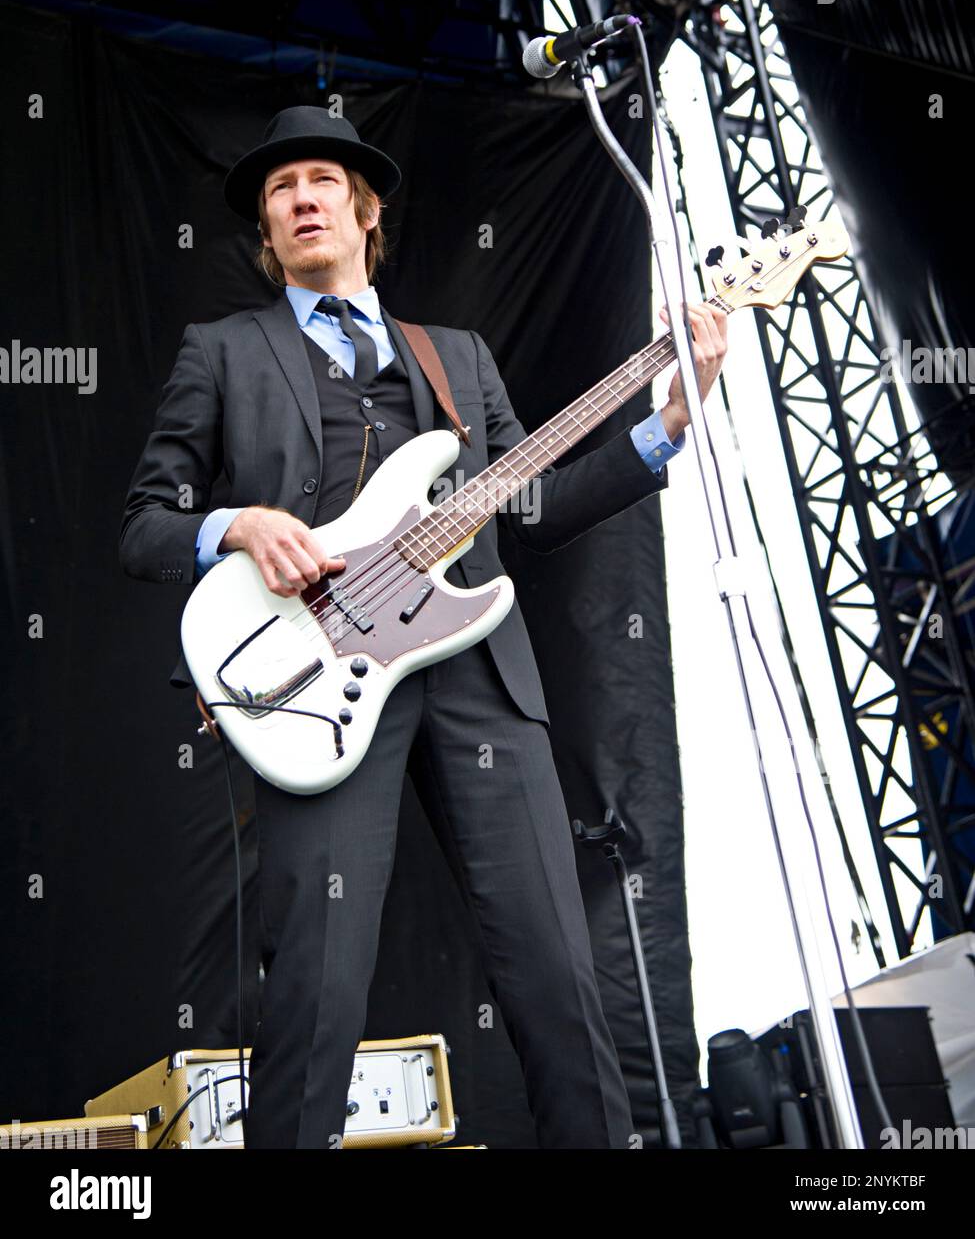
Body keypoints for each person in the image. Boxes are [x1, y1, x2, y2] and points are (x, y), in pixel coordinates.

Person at [119, 106, 727, 1148]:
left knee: (557, 973)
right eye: (280, 188)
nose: (302, 197)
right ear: (267, 230)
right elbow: (143, 527)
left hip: (476, 670)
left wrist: (668, 423)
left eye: (322, 180)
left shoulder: (457, 358)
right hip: (316, 686)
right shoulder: (221, 351)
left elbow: (537, 507)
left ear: (364, 211)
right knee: (314, 983)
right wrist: (238, 525)